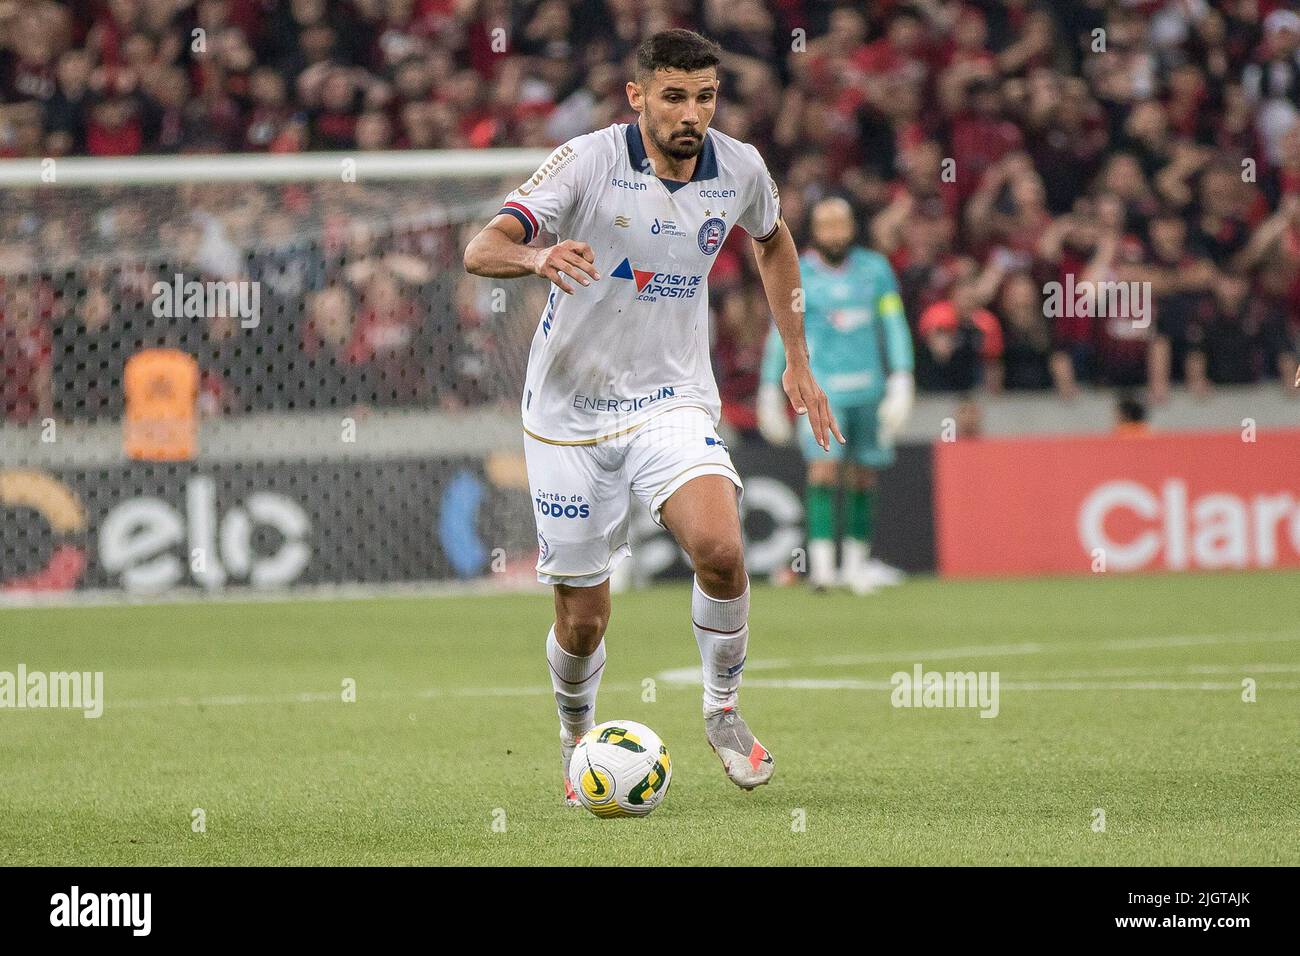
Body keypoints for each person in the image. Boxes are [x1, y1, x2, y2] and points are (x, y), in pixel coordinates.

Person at [463, 29, 843, 804]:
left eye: (705, 96)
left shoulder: (740, 168)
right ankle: (577, 739)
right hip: (567, 413)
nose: (691, 113)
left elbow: (774, 243)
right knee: (583, 621)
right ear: (636, 96)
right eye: (674, 95)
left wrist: (797, 356)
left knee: (722, 549)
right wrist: (537, 257)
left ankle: (723, 709)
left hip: (671, 399)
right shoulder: (586, 161)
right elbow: (481, 247)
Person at [757, 197, 915, 595]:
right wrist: (768, 388)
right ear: (815, 229)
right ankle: (824, 569)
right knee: (823, 472)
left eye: (840, 224)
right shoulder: (799, 271)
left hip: (870, 389)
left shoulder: (875, 271)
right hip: (822, 390)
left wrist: (902, 376)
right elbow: (783, 330)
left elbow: (893, 323)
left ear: (851, 227)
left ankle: (856, 566)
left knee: (863, 476)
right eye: (826, 225)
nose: (834, 233)